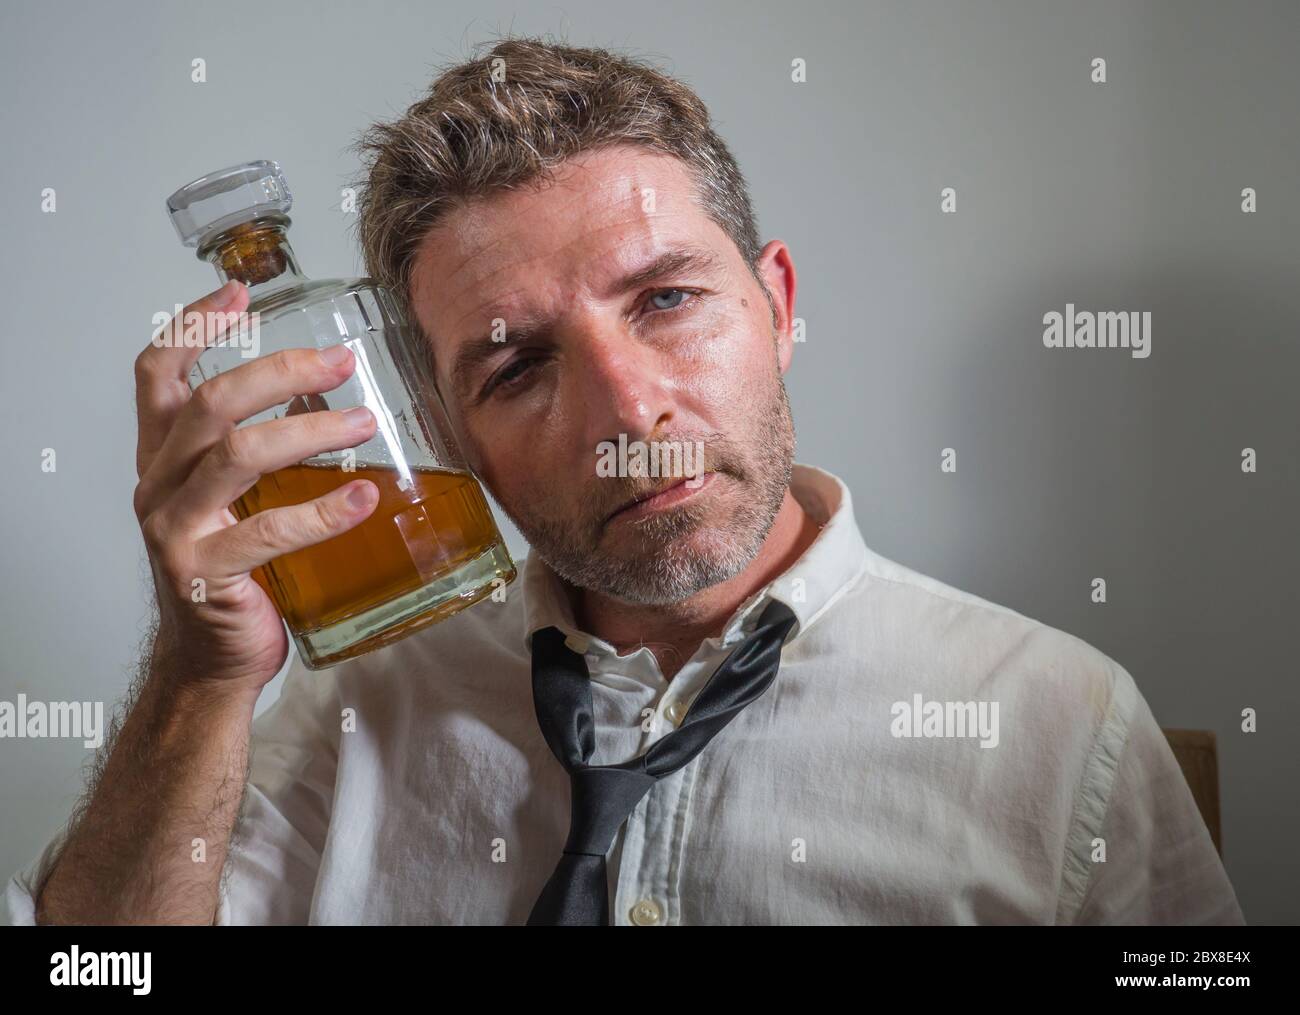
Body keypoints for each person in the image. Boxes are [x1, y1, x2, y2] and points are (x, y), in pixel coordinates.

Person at [4, 37, 1243, 926]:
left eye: (666, 300)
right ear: (441, 429)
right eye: (516, 363)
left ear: (778, 305)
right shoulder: (346, 720)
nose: (628, 409)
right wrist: (197, 674)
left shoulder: (1061, 726)